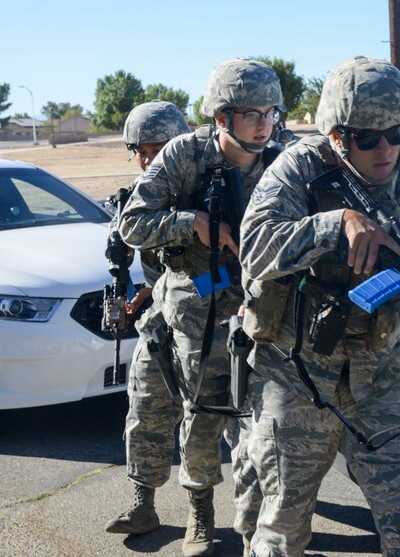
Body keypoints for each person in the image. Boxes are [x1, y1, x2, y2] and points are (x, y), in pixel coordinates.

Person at [239, 55, 400, 557]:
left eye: (397, 133)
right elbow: (254, 246)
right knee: (284, 523)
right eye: (368, 138)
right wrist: (337, 224)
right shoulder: (298, 169)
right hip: (296, 373)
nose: (386, 148)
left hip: (376, 371)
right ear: (337, 136)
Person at [119, 58, 286, 557]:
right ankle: (198, 511)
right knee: (204, 405)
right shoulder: (185, 157)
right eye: (250, 112)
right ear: (221, 117)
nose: (263, 122)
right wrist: (190, 221)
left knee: (265, 416)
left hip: (267, 297)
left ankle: (260, 518)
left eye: (270, 112)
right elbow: (133, 225)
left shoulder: (286, 156)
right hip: (199, 298)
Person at [104, 100, 190, 537]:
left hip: (211, 319)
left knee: (220, 422)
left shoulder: (208, 194)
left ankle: (209, 512)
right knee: (146, 409)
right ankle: (143, 503)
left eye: (161, 148)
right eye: (143, 151)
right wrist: (141, 292)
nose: (151, 160)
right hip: (161, 325)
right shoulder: (136, 202)